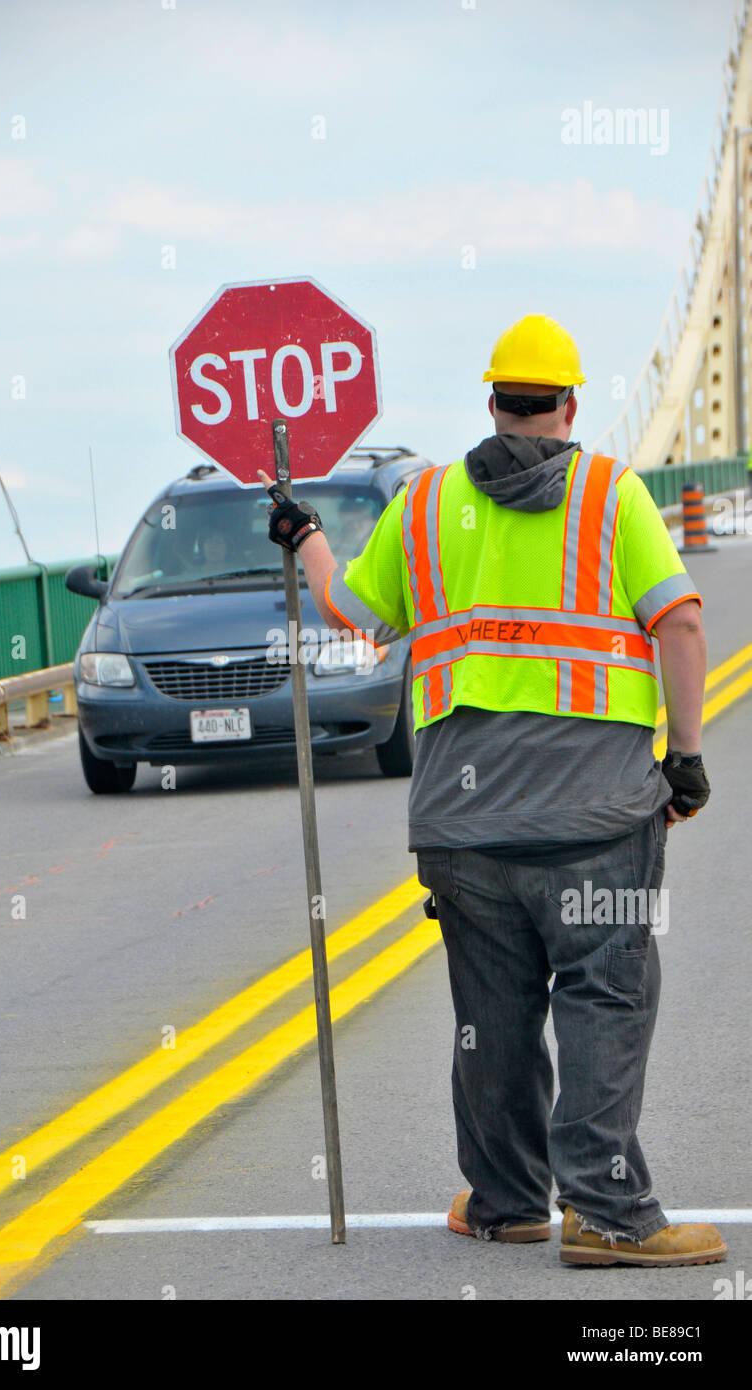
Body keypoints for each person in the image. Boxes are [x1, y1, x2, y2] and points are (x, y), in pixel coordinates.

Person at [258, 313, 725, 1268]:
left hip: (462, 826)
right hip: (594, 818)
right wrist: (684, 758)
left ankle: (507, 1199)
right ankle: (604, 1211)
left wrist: (306, 540)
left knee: (493, 1009)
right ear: (568, 404)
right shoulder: (608, 495)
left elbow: (354, 616)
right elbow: (677, 626)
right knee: (604, 993)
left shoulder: (426, 505)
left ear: (491, 403)